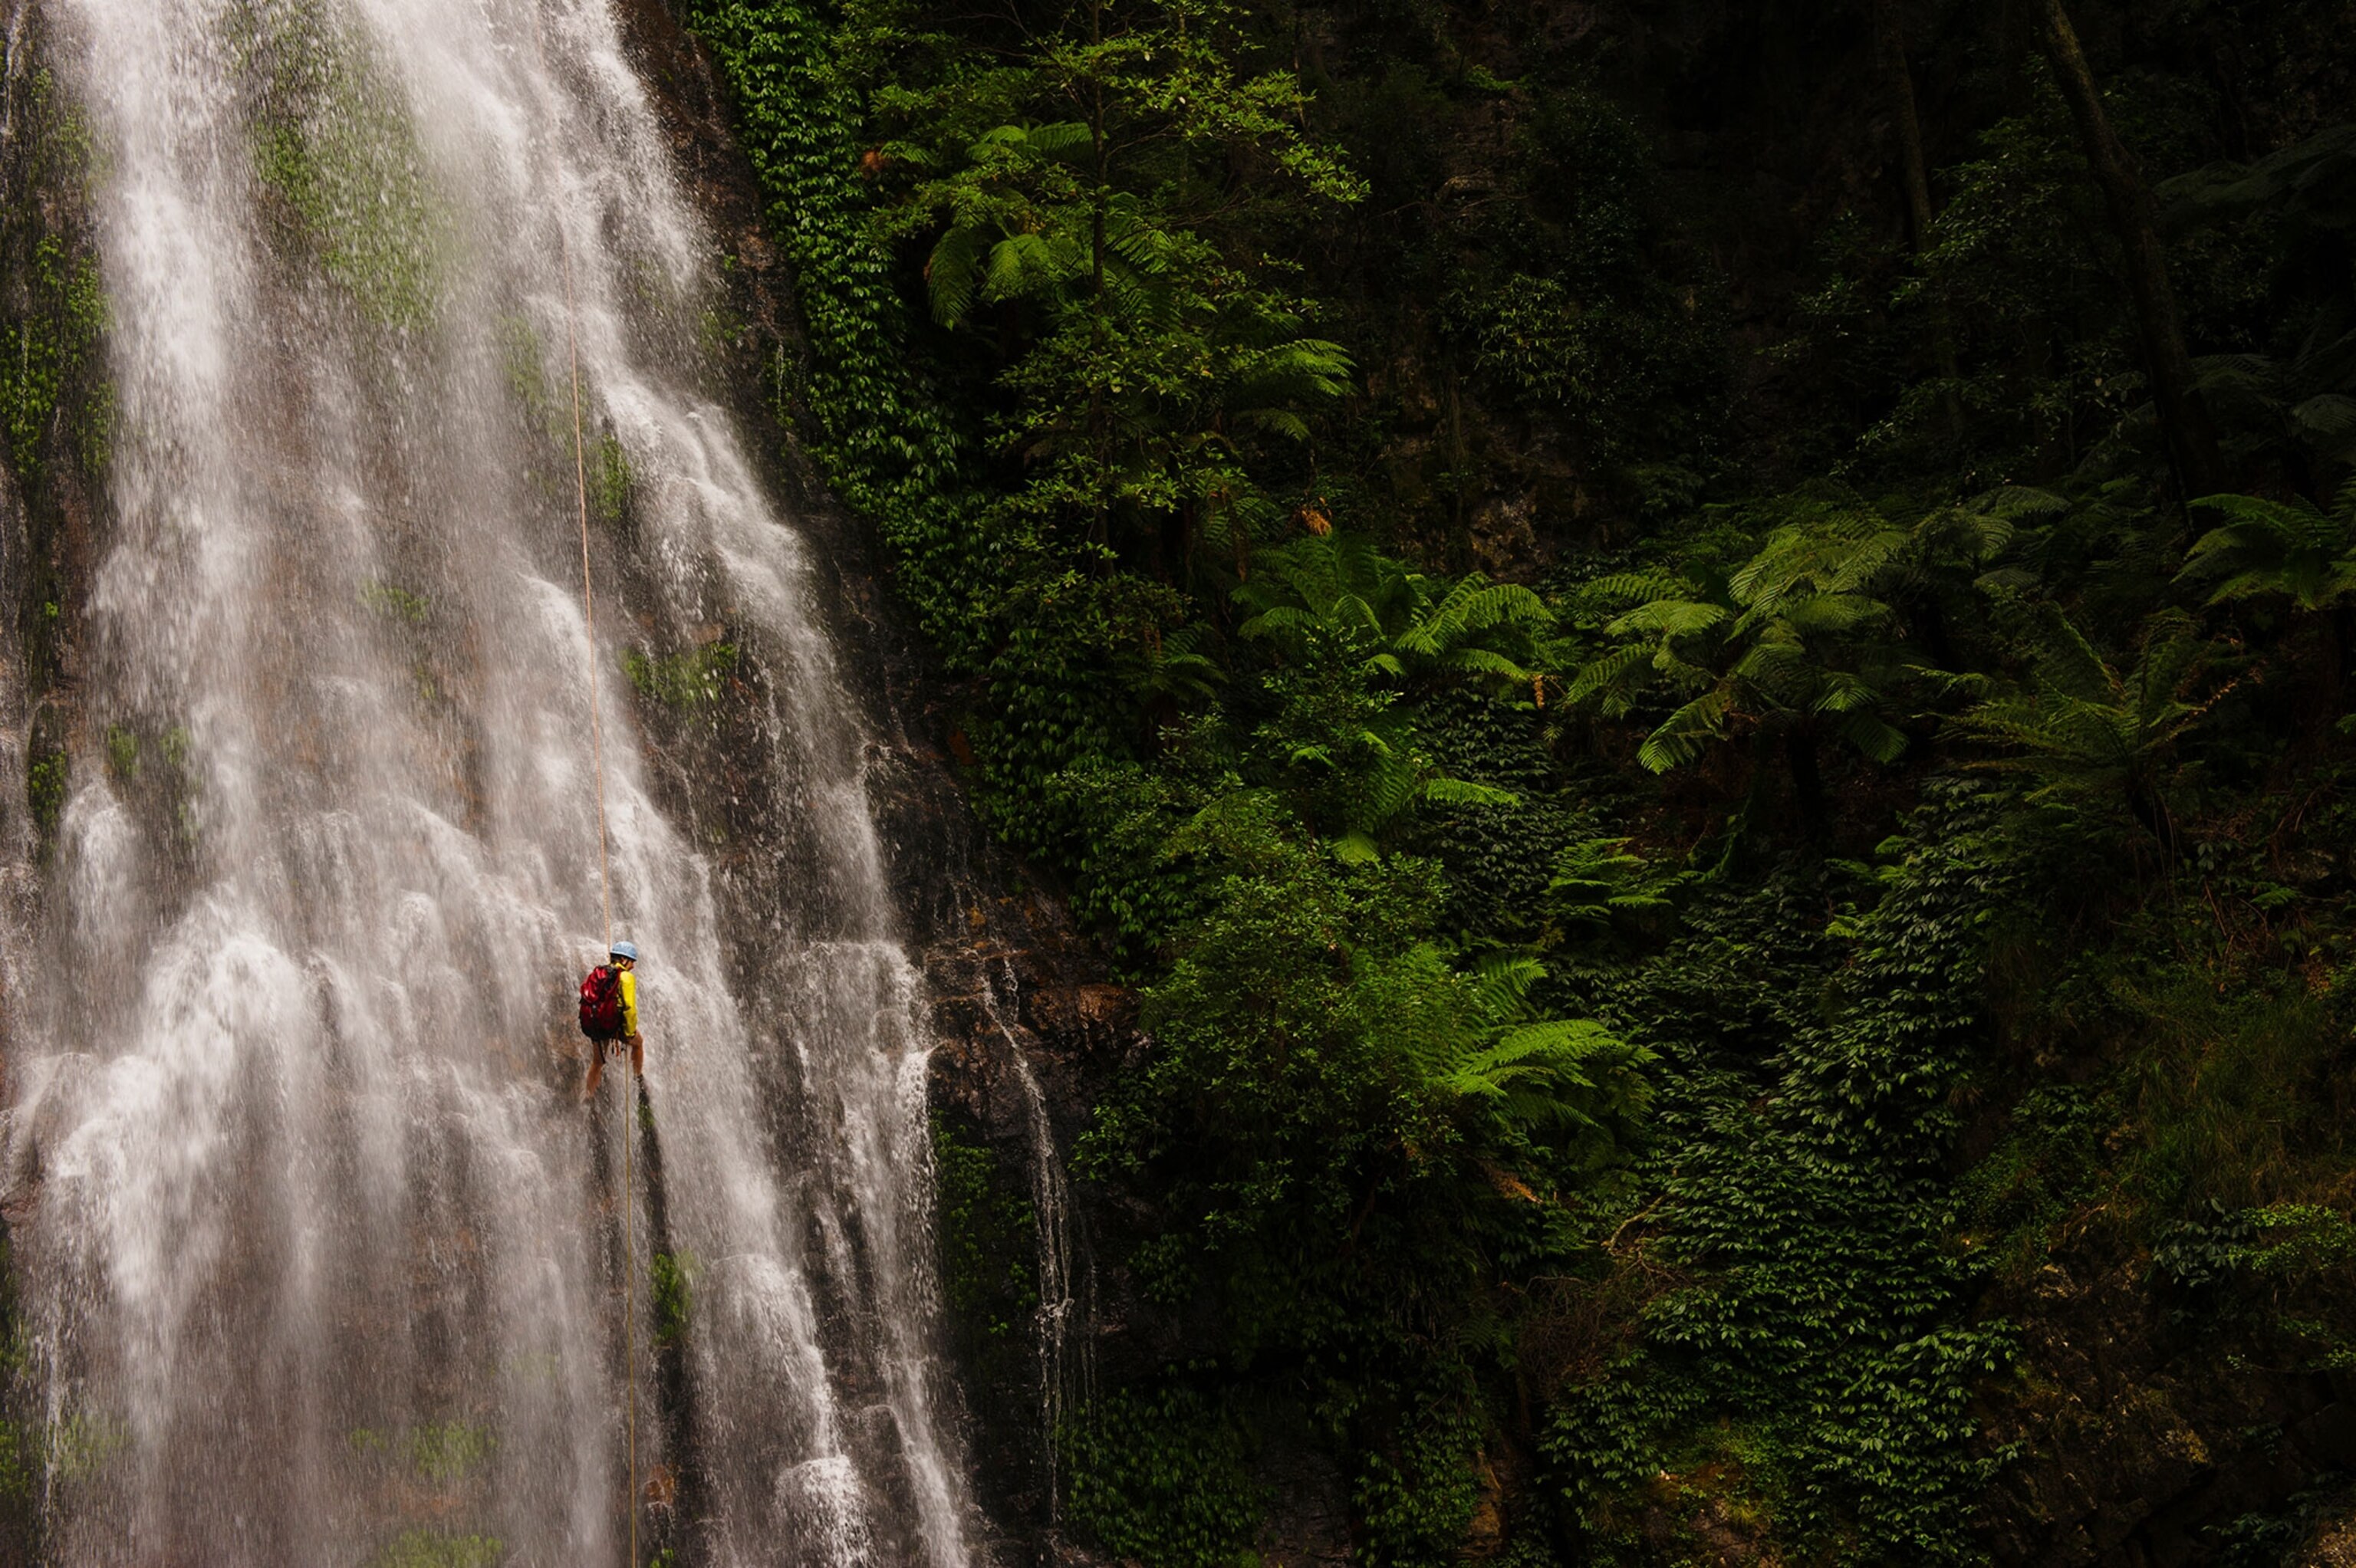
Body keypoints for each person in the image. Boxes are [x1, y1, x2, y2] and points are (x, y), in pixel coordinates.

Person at [581, 940, 644, 1100]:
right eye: (632, 962)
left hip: (597, 1024)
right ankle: (638, 1079)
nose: (633, 966)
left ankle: (588, 1096)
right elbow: (630, 1008)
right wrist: (629, 1033)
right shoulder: (626, 977)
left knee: (597, 1063)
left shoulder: (600, 973)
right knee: (638, 1043)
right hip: (614, 1025)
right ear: (623, 960)